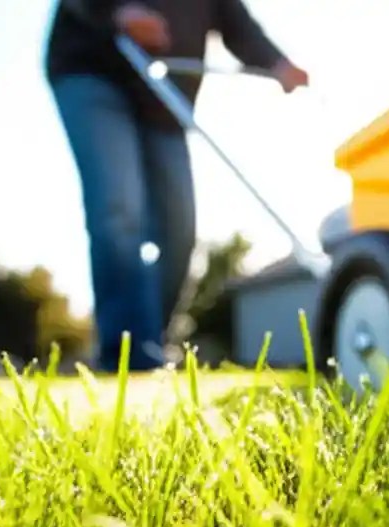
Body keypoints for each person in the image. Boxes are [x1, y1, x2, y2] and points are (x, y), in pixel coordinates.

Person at [44, 1, 309, 371]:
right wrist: (116, 13)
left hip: (163, 95)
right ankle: (125, 351)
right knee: (120, 209)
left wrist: (277, 63)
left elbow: (236, 23)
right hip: (94, 73)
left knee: (179, 227)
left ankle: (153, 338)